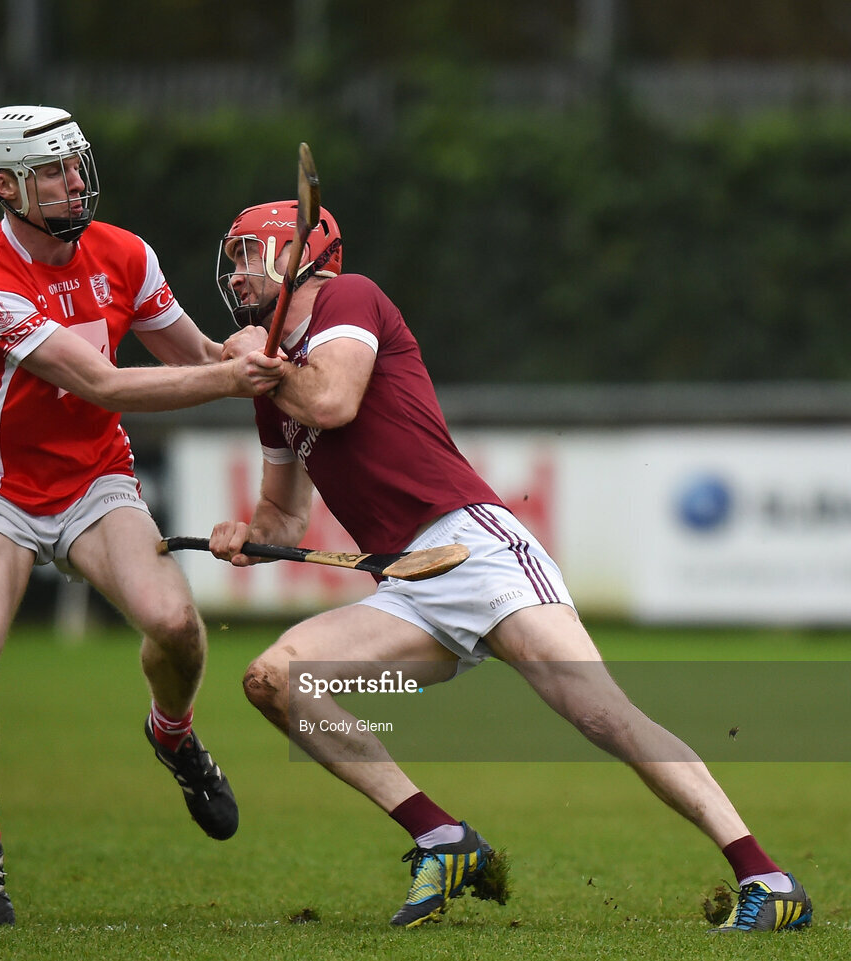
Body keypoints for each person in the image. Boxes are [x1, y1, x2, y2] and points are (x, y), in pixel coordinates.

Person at [207, 200, 812, 932]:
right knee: (276, 680)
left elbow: (333, 399)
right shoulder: (270, 388)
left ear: (296, 255)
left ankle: (767, 878)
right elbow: (283, 515)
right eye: (234, 260)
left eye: (248, 255)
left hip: (474, 546)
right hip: (406, 583)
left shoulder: (349, 297)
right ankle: (441, 836)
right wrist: (245, 536)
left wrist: (264, 367)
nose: (236, 275)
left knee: (602, 713)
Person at [0, 106, 282, 926]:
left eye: (75, 164)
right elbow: (105, 384)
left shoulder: (126, 254)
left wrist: (242, 349)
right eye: (52, 172)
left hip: (96, 481)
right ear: (5, 186)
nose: (73, 182)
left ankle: (173, 733)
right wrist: (227, 378)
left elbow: (196, 356)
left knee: (178, 627)